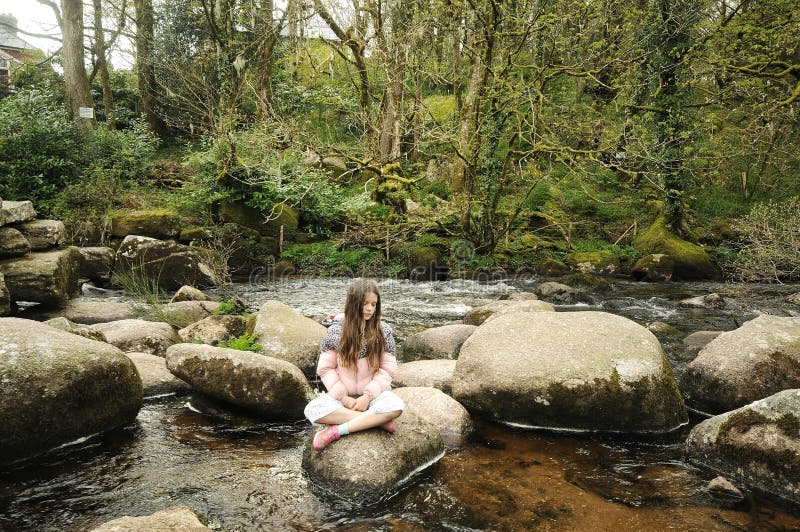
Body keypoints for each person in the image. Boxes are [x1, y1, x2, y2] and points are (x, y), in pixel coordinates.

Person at [304, 279, 404, 451]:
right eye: (365, 303)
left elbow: (387, 369)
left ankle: (336, 431)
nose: (370, 309)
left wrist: (367, 396)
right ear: (353, 303)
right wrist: (343, 397)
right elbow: (325, 369)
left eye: (374, 304)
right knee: (312, 410)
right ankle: (373, 421)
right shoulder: (336, 332)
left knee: (396, 407)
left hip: (374, 396)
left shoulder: (383, 331)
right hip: (343, 398)